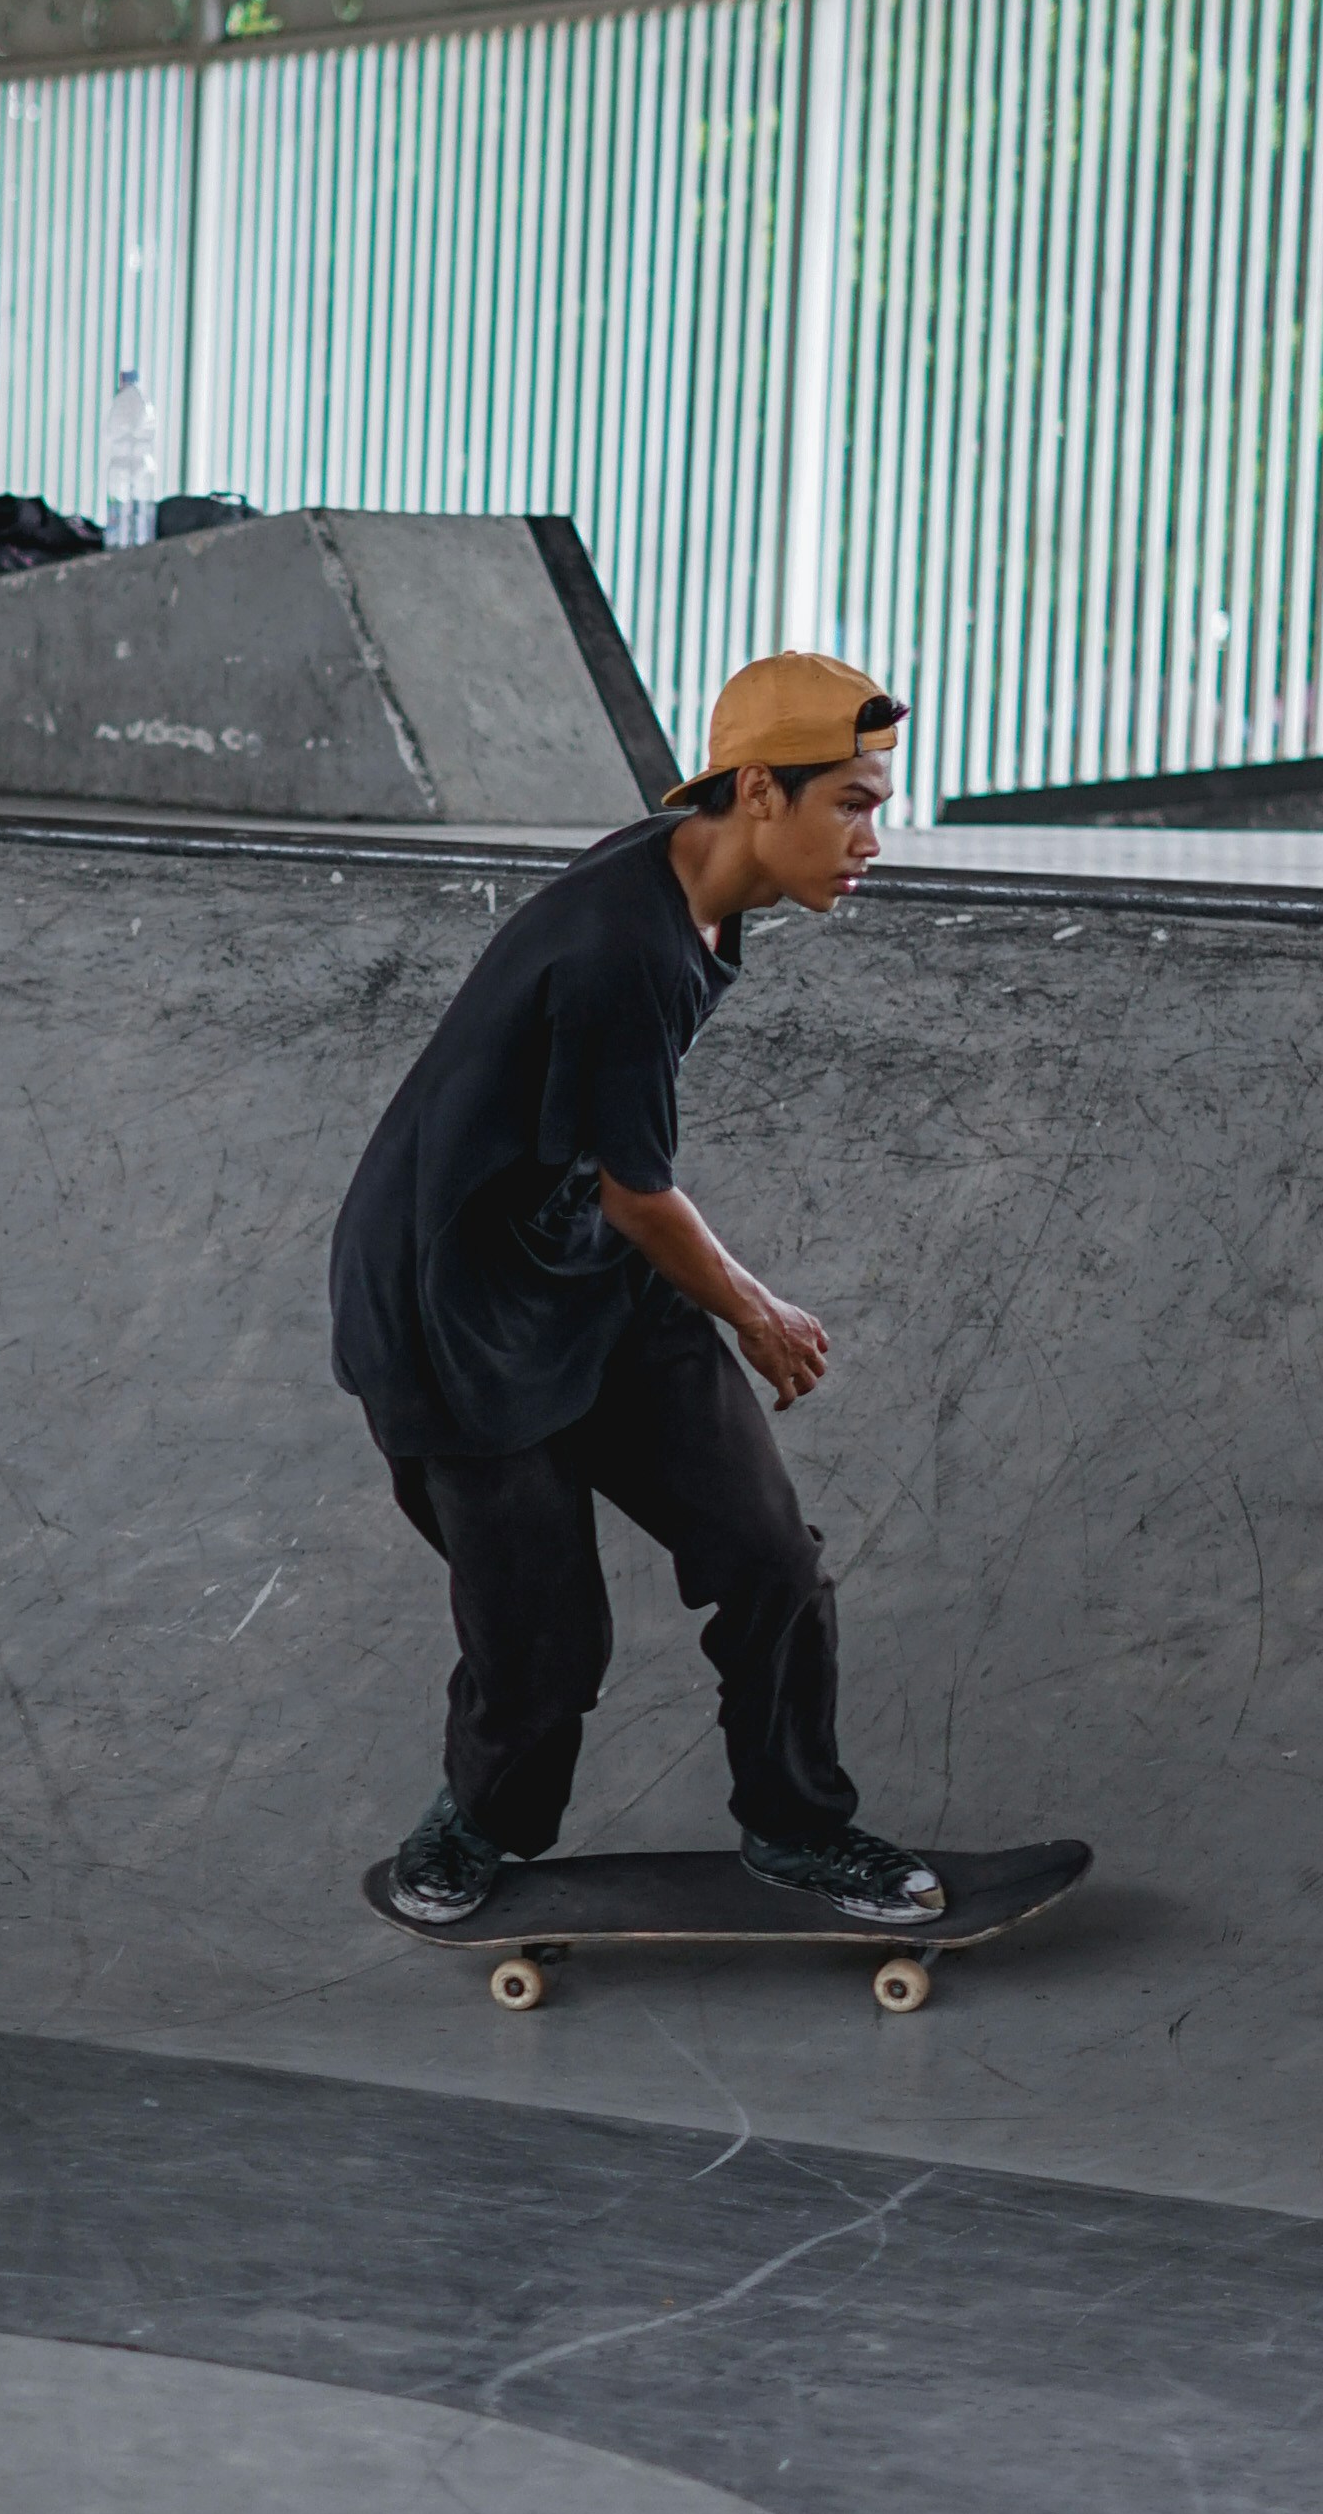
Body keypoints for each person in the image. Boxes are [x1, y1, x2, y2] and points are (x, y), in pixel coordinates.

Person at [330, 650, 949, 1929]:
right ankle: (476, 1826)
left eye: (875, 804)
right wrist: (755, 1309)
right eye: (849, 803)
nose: (870, 838)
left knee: (769, 1555)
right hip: (450, 1306)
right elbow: (637, 1191)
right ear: (757, 796)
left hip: (584, 1268)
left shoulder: (708, 896)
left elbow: (616, 1188)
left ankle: (795, 1826)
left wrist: (721, 1291)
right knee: (546, 1646)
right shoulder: (624, 943)